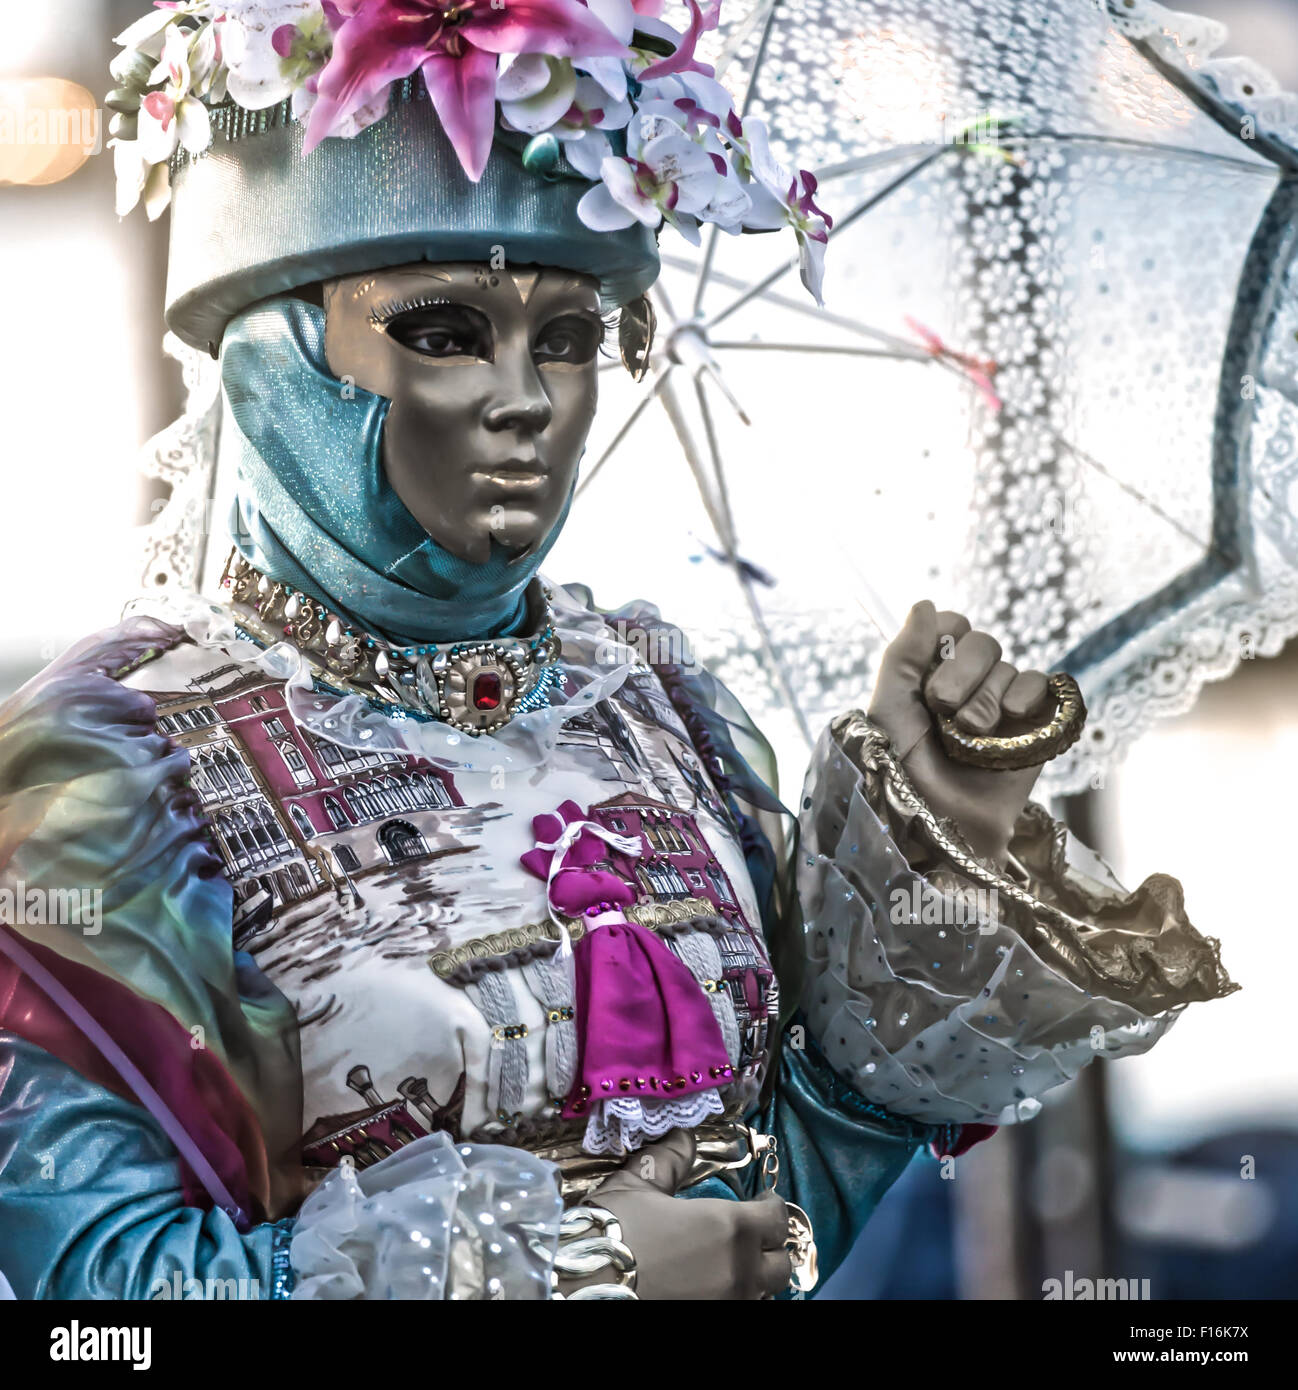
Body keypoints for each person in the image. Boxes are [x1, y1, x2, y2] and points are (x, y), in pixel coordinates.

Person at [0, 0, 1234, 1301]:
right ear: (273, 356)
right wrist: (564, 1271)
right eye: (442, 330)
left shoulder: (653, 703)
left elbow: (782, 1209)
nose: (524, 398)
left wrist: (922, 847)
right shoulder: (108, 766)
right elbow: (93, 1301)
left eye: (570, 338)